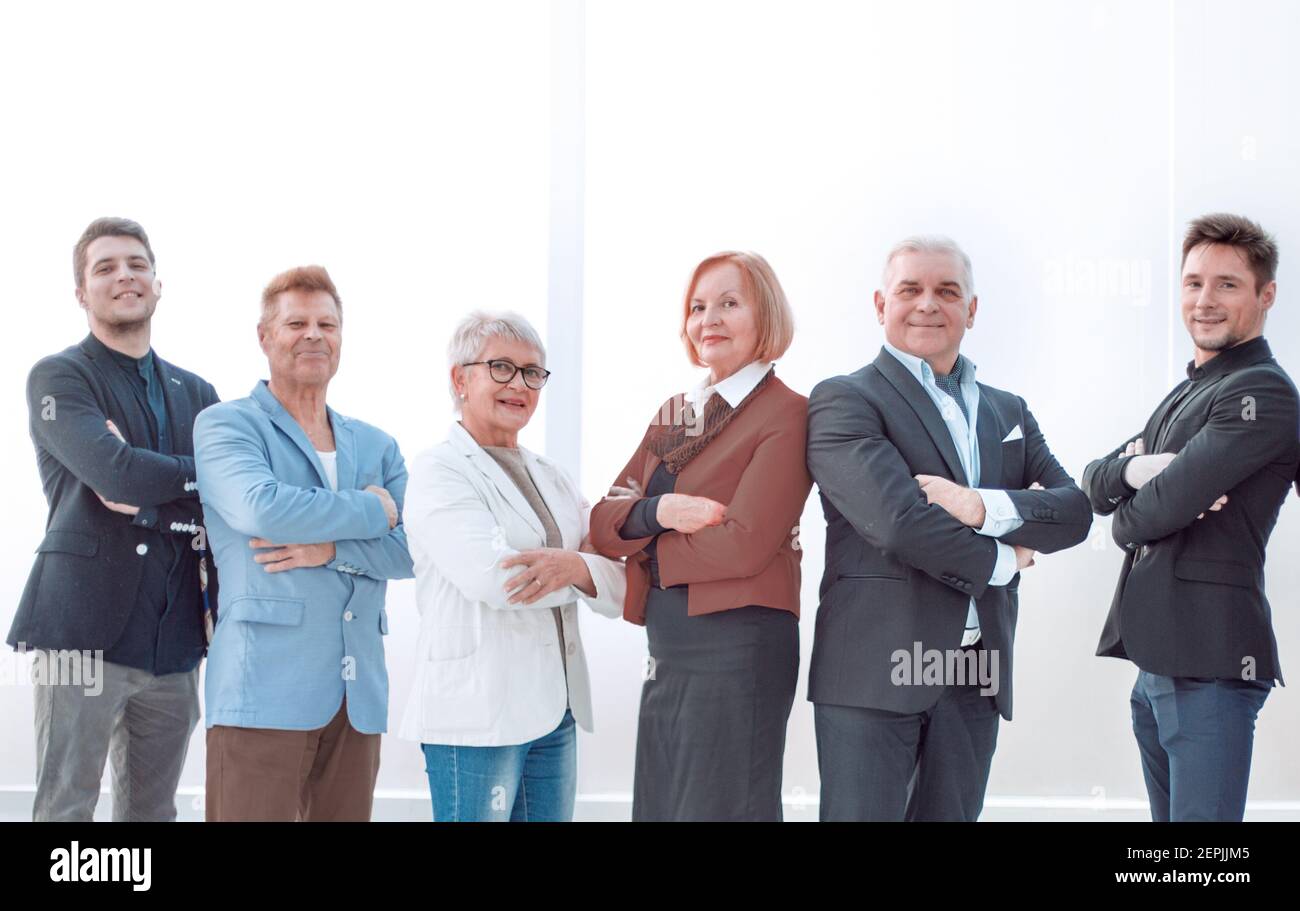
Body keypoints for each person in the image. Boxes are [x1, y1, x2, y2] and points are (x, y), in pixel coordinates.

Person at [806, 235, 1091, 821]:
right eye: (910, 290)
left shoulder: (1007, 410)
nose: (928, 304)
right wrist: (1007, 558)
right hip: (873, 674)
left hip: (974, 676)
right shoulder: (845, 400)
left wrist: (979, 506)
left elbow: (1075, 511)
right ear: (880, 304)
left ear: (972, 309)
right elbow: (898, 523)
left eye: (947, 291)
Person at [1082, 213, 1300, 822]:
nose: (1205, 300)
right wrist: (1134, 476)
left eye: (1227, 284)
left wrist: (1136, 509)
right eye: (1193, 282)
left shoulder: (1262, 392)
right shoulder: (1190, 390)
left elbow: (1143, 518)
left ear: (1266, 295)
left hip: (1210, 664)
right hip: (1159, 666)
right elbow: (1095, 478)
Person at [8, 217, 219, 822]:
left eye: (136, 263)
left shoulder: (200, 394)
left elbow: (223, 493)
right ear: (82, 292)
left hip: (173, 639)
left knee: (152, 815)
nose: (124, 275)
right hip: (80, 630)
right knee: (66, 808)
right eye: (104, 267)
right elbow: (115, 474)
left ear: (157, 283)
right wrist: (180, 474)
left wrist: (155, 490)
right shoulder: (59, 377)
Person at [589, 251, 810, 821]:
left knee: (722, 807)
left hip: (739, 645)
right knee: (664, 806)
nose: (708, 318)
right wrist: (661, 509)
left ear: (766, 317)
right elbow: (604, 520)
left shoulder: (789, 414)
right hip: (669, 644)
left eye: (729, 303)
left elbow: (744, 543)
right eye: (697, 306)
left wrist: (645, 547)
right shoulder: (677, 413)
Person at [194, 265, 413, 822]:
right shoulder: (227, 426)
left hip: (357, 697)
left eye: (327, 323)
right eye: (296, 323)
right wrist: (373, 509)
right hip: (261, 692)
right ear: (265, 337)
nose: (314, 334)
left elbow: (413, 550)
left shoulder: (377, 444)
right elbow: (262, 507)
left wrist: (331, 550)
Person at [399, 310, 625, 822]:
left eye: (532, 372)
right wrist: (585, 568)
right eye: (501, 367)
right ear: (461, 378)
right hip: (480, 717)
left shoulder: (553, 476)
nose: (519, 384)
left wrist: (576, 567)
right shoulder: (439, 470)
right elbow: (497, 580)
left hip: (556, 710)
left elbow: (621, 580)